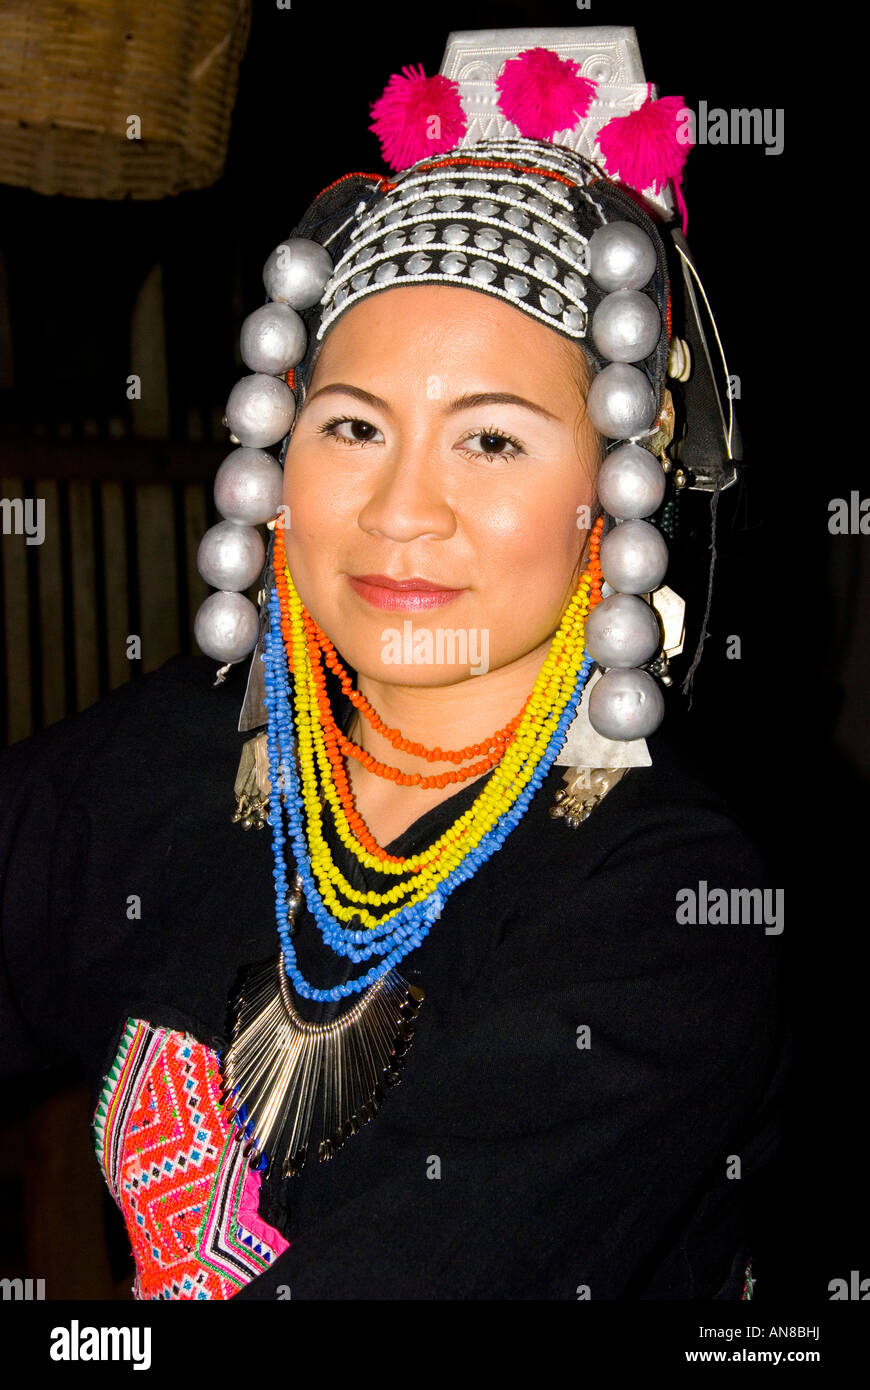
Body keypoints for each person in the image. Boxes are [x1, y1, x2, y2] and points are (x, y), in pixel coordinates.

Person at [0, 27, 786, 1300]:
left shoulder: (667, 910)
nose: (401, 508)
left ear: (611, 489)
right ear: (276, 446)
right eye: (354, 425)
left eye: (491, 441)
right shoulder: (148, 766)